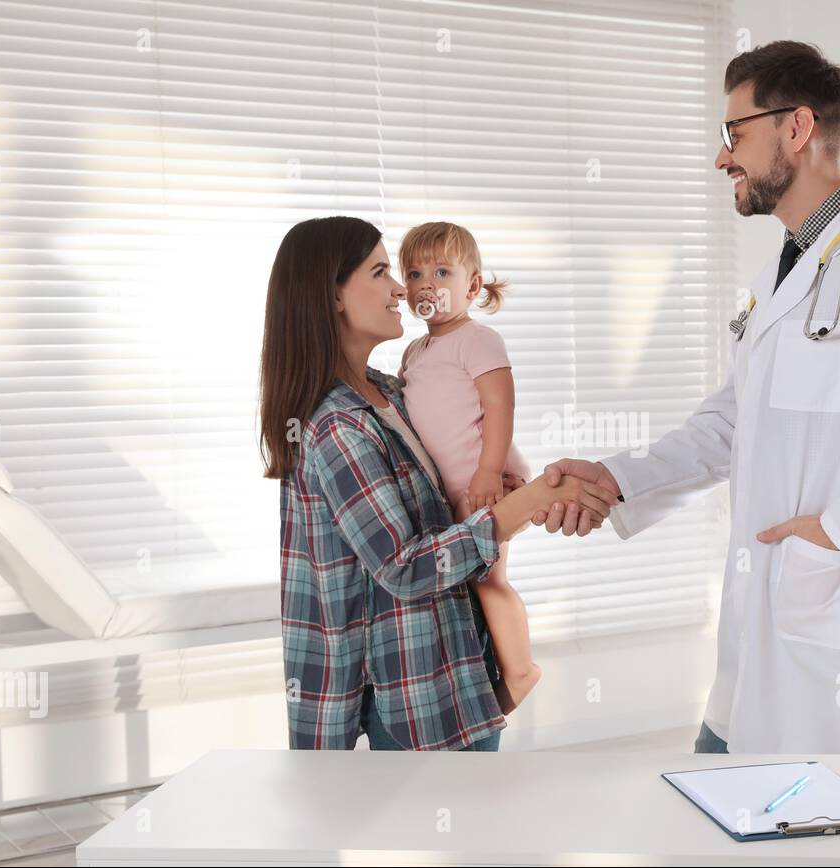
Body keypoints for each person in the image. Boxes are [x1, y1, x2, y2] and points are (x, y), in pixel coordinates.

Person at [532, 41, 840, 756]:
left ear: (796, 129)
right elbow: (735, 422)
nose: (721, 157)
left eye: (735, 134)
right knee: (731, 792)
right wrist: (622, 477)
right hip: (768, 624)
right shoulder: (782, 272)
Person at [258, 216, 616, 751]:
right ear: (333, 297)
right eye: (382, 272)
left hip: (459, 676)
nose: (403, 289)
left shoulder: (390, 391)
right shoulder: (338, 425)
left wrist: (504, 479)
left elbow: (461, 449)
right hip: (416, 699)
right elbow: (403, 566)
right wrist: (530, 501)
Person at [396, 221, 540, 715]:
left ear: (473, 286)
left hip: (484, 481)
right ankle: (491, 670)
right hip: (451, 489)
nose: (426, 285)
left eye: (441, 271)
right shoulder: (415, 350)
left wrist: (488, 471)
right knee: (466, 584)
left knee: (488, 579)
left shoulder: (477, 340)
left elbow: (500, 406)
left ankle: (522, 671)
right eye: (414, 274)